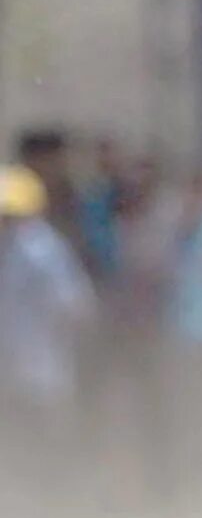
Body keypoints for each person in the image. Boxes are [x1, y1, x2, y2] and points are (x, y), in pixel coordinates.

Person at [0, 163, 93, 404]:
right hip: (14, 371)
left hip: (42, 373)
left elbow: (74, 305)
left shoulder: (42, 250)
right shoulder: (10, 248)